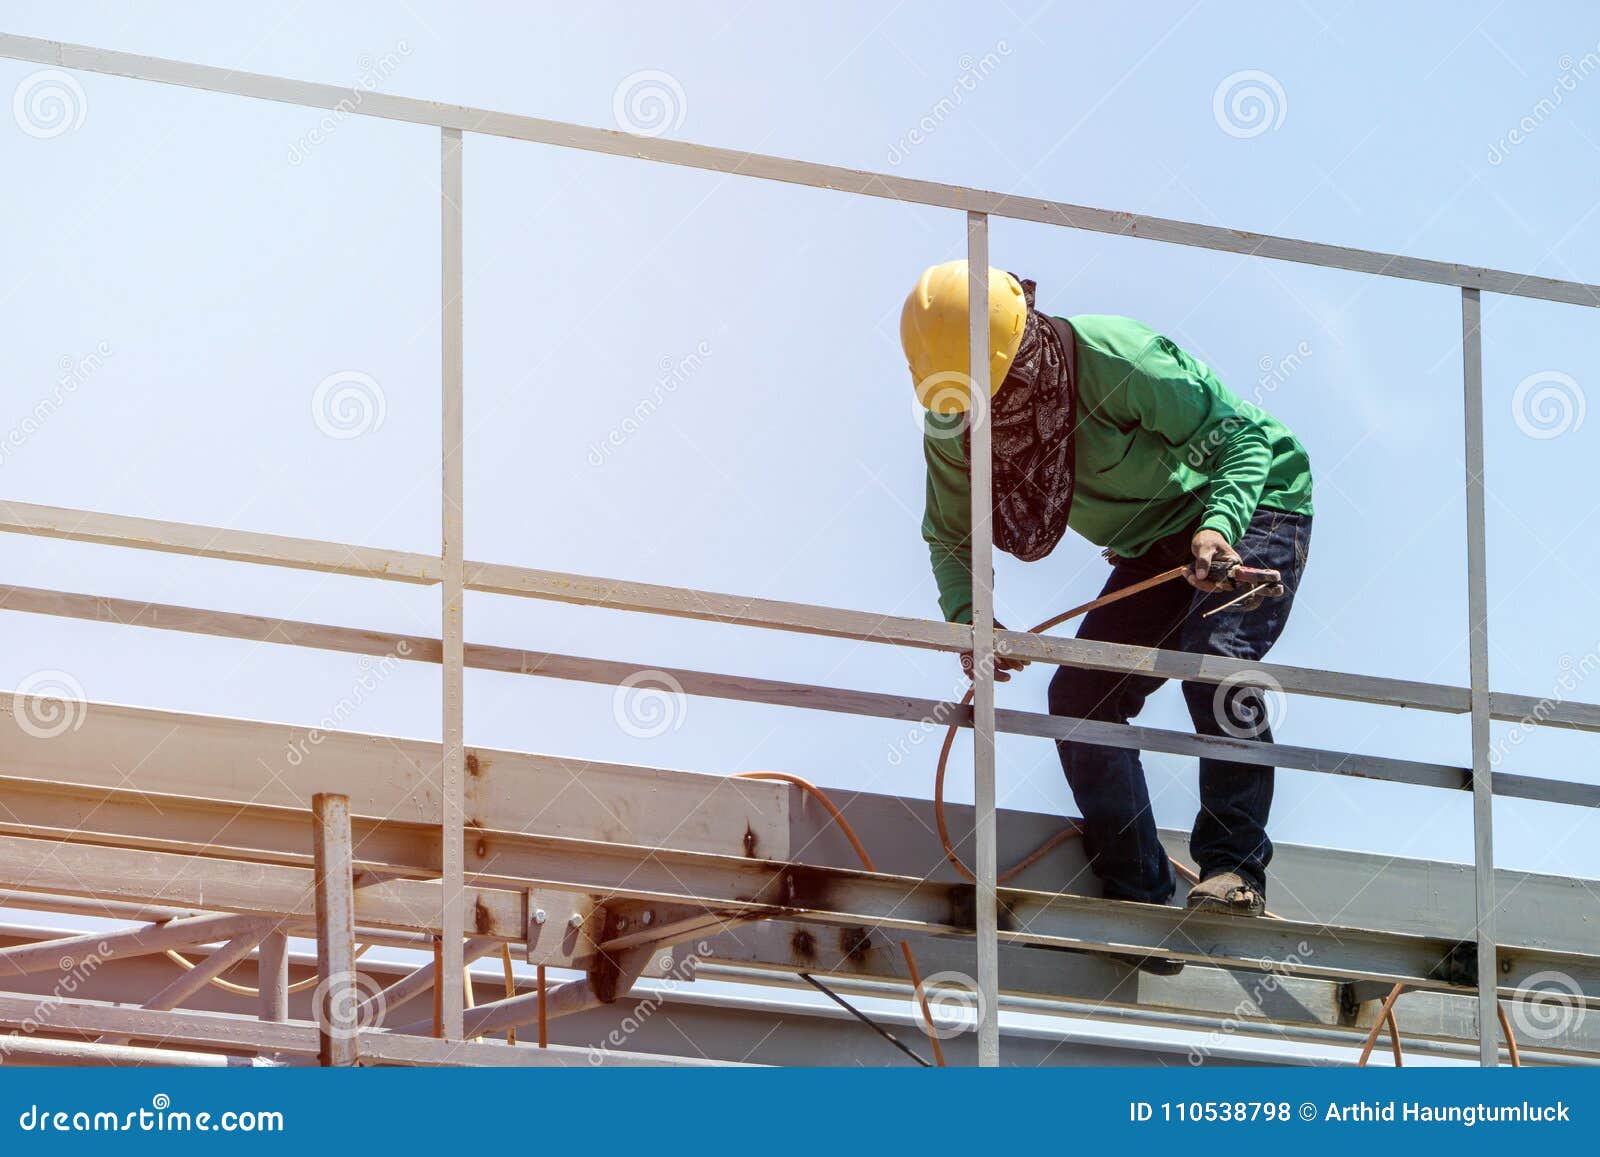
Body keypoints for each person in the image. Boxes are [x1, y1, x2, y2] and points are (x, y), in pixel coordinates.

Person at [903, 260, 1313, 944]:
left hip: (1254, 499)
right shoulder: (954, 424)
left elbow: (1242, 437)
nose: (991, 417)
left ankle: (1234, 869)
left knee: (1212, 653)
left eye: (998, 394)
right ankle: (1140, 896)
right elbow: (952, 533)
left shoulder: (1116, 355)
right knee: (1081, 697)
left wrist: (1217, 527)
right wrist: (971, 619)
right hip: (1157, 538)